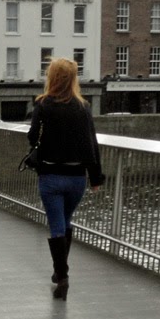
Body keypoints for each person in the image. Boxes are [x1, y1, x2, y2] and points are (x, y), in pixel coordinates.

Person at [26, 57, 105, 300]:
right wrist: (95, 177)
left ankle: (62, 276)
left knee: (57, 225)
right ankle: (59, 270)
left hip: (50, 175)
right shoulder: (83, 107)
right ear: (73, 79)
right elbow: (91, 144)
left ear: (51, 77)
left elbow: (32, 137)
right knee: (65, 222)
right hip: (75, 178)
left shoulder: (43, 105)